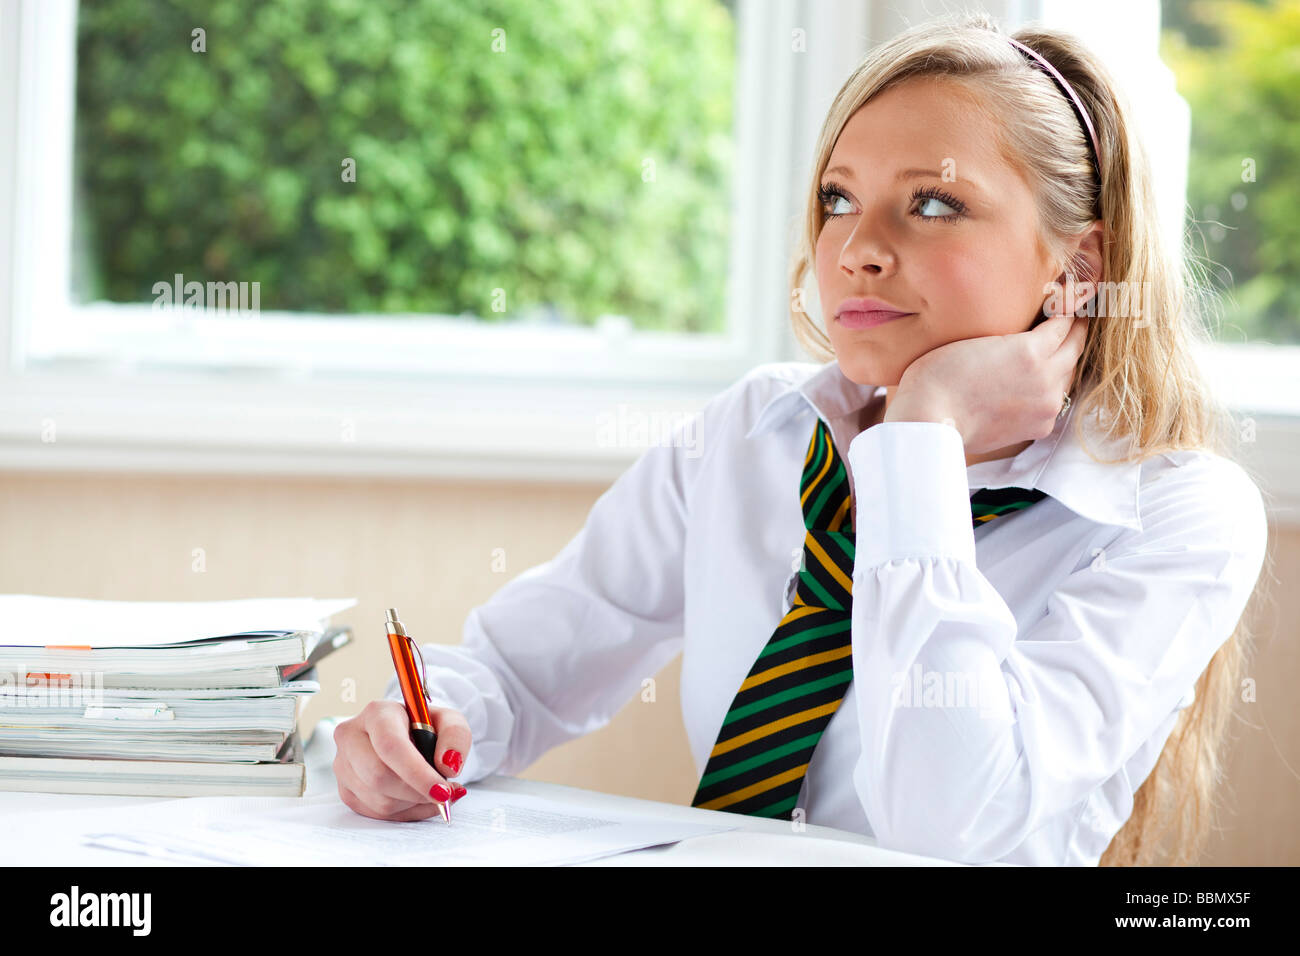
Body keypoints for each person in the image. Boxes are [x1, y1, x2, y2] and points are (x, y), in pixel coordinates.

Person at [333, 12, 1270, 866]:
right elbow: (519, 670)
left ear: (1080, 264)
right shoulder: (756, 431)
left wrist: (924, 439)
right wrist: (427, 729)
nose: (857, 246)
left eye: (933, 203)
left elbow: (951, 821)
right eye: (836, 197)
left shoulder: (1178, 513)